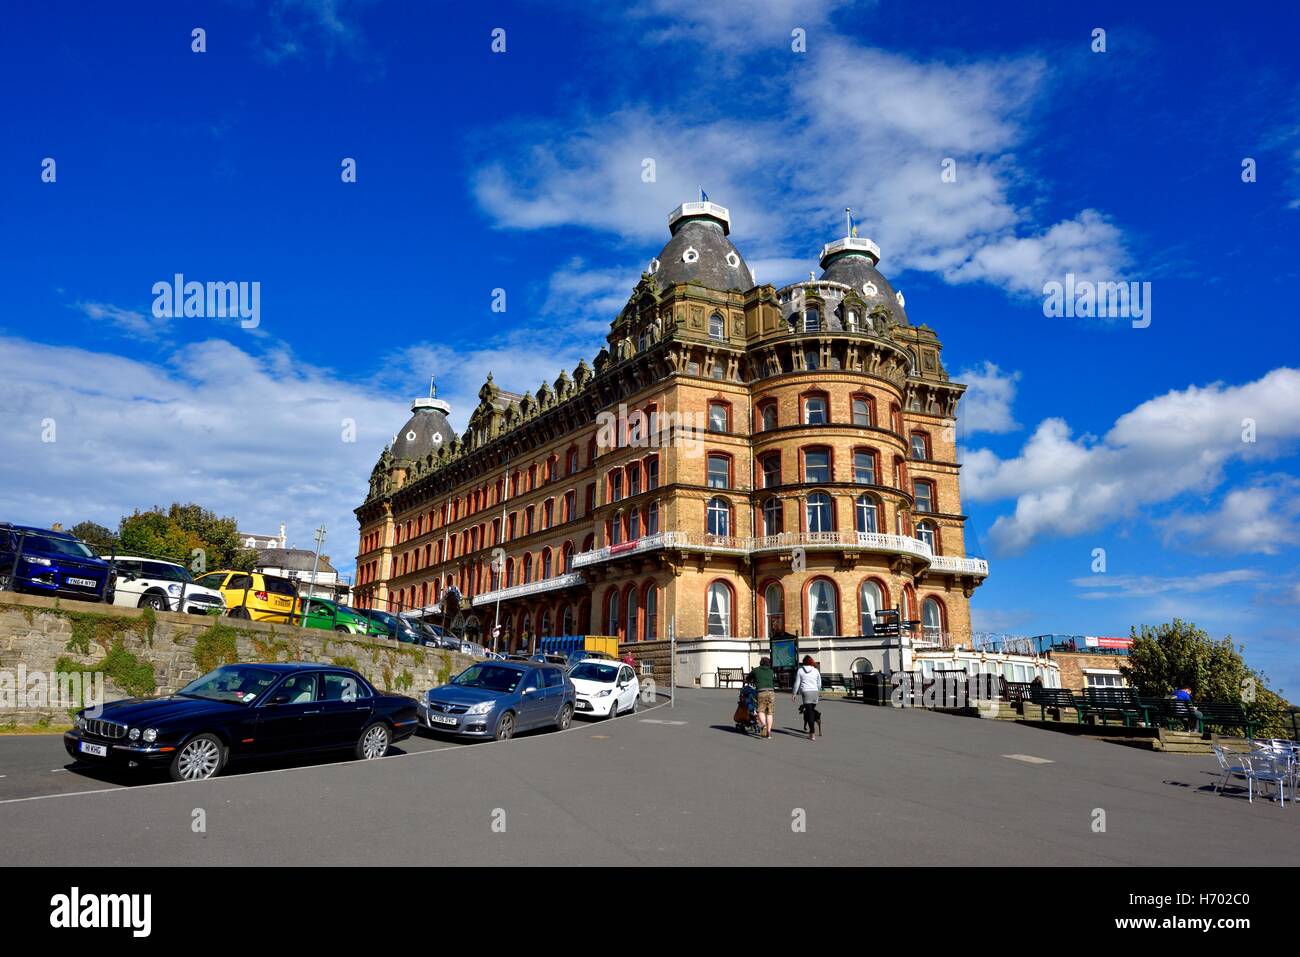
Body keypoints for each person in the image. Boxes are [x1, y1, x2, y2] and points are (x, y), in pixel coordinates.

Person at [791, 655, 822, 740]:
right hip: (815, 692)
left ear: (803, 662)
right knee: (811, 711)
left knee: (810, 713)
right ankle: (811, 731)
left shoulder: (800, 670)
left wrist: (794, 693)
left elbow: (797, 683)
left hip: (806, 692)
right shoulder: (816, 670)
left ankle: (812, 733)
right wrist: (817, 690)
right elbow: (819, 683)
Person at [748, 656, 776, 739]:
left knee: (761, 710)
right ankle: (769, 733)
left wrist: (750, 680)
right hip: (771, 692)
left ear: (760, 663)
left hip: (761, 692)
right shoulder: (771, 671)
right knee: (770, 712)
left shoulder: (756, 670)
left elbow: (748, 678)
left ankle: (764, 725)